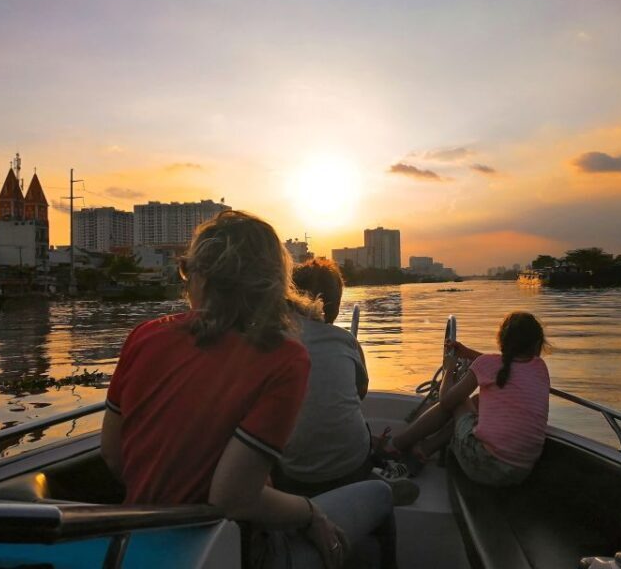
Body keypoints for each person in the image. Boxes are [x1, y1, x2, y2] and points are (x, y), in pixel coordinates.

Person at [101, 210, 396, 569]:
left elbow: (114, 455)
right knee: (380, 493)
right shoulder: (283, 358)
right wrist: (309, 513)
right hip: (227, 551)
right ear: (272, 284)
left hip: (135, 543)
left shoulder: (144, 336)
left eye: (186, 270)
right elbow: (233, 499)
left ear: (199, 276)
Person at [275, 259, 419, 505]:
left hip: (293, 476)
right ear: (337, 305)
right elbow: (360, 392)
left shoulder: (272, 342)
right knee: (351, 414)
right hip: (349, 468)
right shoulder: (345, 341)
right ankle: (372, 481)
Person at [385, 311, 550, 486]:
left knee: (458, 399)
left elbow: (446, 401)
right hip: (521, 472)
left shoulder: (488, 364)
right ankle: (425, 449)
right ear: (538, 344)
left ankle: (395, 445)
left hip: (482, 464)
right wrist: (467, 353)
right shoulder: (541, 368)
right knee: (478, 401)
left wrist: (448, 369)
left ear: (502, 340)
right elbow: (501, 365)